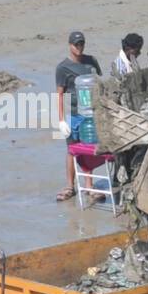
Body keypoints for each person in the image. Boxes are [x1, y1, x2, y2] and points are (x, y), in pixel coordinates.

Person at [55, 30, 102, 202]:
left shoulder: (91, 62)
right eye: (76, 44)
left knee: (88, 149)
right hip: (72, 114)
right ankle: (70, 185)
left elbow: (100, 84)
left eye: (82, 44)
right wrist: (61, 120)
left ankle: (89, 185)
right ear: (70, 46)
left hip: (90, 114)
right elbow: (59, 94)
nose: (79, 47)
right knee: (71, 150)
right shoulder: (63, 68)